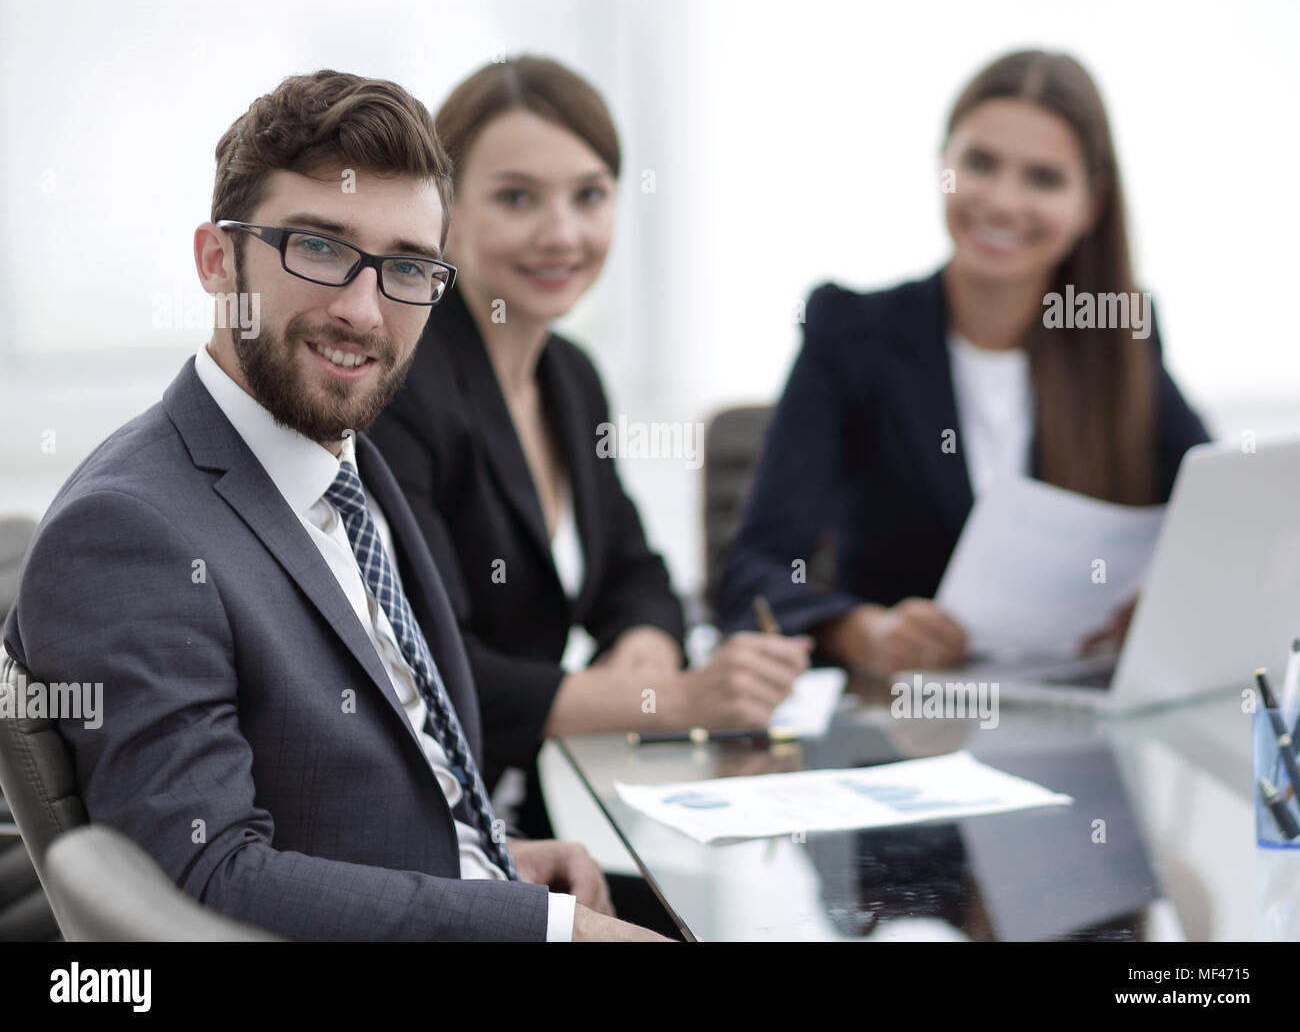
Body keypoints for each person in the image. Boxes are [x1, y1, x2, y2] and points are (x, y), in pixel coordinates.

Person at [3, 69, 667, 941]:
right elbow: (203, 878)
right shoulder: (131, 531)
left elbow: (349, 789)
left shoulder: (341, 467)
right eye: (317, 247)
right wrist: (543, 930)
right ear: (216, 259)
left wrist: (497, 862)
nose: (362, 310)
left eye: (406, 267)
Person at [368, 56, 812, 839]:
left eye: (590, 195)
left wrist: (644, 646)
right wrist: (676, 698)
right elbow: (440, 669)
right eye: (516, 197)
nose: (562, 234)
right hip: (443, 819)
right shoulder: (403, 384)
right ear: (447, 210)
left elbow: (634, 574)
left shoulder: (569, 375)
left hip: (552, 793)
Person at [717, 49, 1210, 675]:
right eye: (980, 164)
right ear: (942, 165)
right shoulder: (850, 335)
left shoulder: (1118, 336)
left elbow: (1218, 526)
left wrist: (1160, 604)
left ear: (1091, 203)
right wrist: (861, 631)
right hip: (906, 726)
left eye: (1044, 178)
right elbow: (751, 572)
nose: (1003, 202)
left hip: (1076, 718)